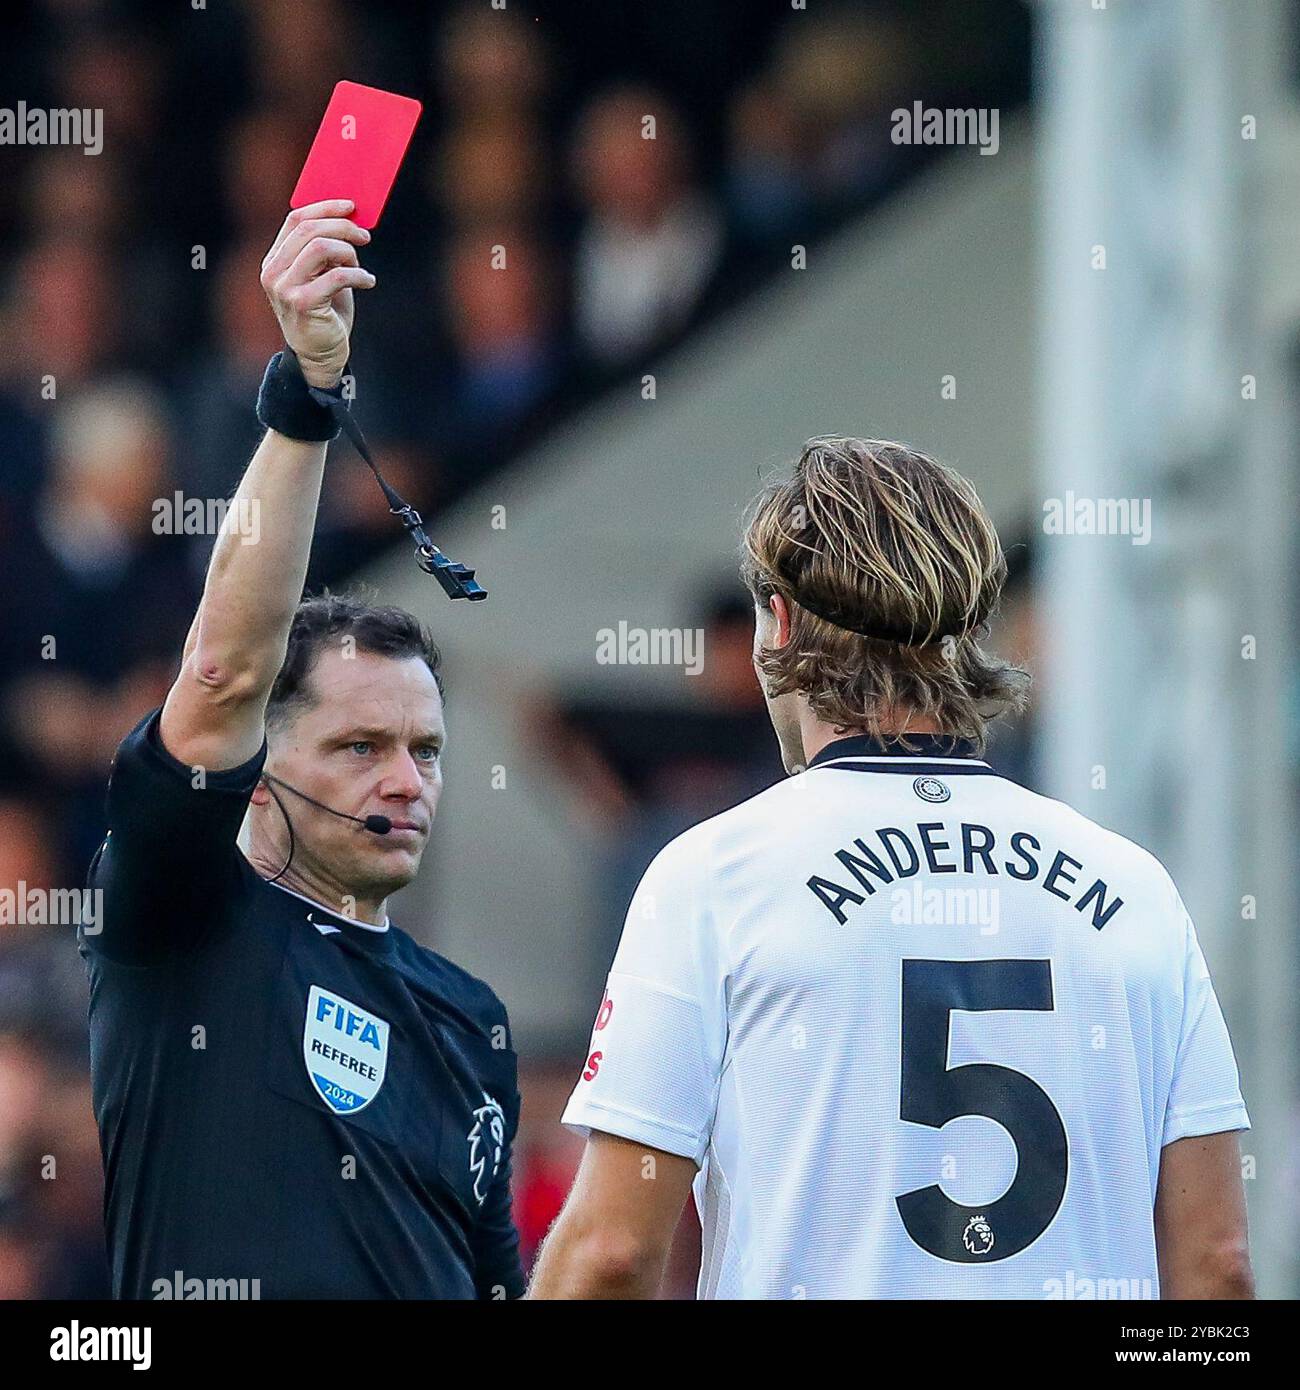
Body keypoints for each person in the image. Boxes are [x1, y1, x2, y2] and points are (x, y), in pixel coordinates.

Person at [530, 437, 1252, 1300]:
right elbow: (1217, 1265)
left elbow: (612, 1253)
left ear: (782, 626)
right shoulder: (1137, 888)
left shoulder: (714, 876)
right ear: (968, 631)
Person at [80, 200, 523, 1300]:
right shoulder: (182, 916)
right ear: (260, 769)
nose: (405, 779)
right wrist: (304, 399)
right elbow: (226, 670)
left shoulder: (471, 1018)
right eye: (362, 744)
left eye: (426, 749)